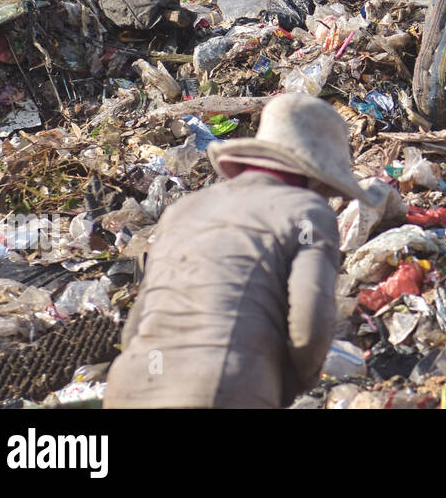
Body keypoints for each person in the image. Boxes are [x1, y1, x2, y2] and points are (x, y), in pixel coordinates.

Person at [105, 94, 375, 409]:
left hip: (130, 385)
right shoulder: (307, 212)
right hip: (218, 388)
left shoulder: (184, 210)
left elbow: (139, 322)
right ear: (318, 178)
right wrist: (286, 385)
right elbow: (309, 322)